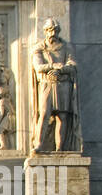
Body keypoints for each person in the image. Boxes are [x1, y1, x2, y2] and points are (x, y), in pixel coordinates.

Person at [31, 18, 79, 152]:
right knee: (44, 114)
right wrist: (53, 66)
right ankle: (39, 144)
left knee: (62, 116)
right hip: (46, 84)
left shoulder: (67, 47)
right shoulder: (39, 48)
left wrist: (60, 70)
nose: (52, 33)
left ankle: (60, 148)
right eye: (50, 30)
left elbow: (73, 65)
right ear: (45, 31)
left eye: (55, 30)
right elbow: (38, 67)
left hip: (62, 85)